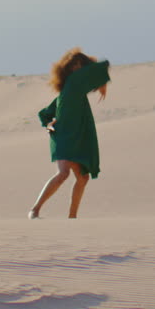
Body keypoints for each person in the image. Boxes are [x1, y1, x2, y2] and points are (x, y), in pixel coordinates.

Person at [29, 48, 110, 219]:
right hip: (63, 136)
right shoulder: (72, 84)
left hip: (78, 138)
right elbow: (103, 66)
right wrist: (48, 124)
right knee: (63, 173)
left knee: (83, 178)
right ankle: (35, 210)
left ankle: (72, 217)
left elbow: (45, 113)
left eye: (81, 65)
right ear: (68, 69)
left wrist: (47, 122)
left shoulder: (71, 91)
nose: (78, 69)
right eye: (75, 65)